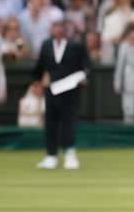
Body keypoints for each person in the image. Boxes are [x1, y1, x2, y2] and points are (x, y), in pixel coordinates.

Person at [31, 19, 91, 170]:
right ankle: (51, 155)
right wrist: (37, 80)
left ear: (66, 29)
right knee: (50, 122)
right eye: (55, 26)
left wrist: (84, 76)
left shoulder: (75, 46)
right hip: (51, 90)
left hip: (71, 91)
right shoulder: (46, 45)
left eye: (60, 27)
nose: (57, 30)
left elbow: (87, 65)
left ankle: (70, 154)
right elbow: (40, 66)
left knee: (69, 122)